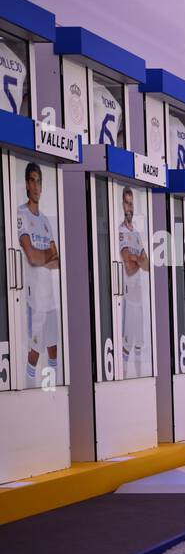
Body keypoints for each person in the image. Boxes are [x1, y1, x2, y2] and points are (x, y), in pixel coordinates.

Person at [16, 162, 60, 387]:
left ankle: (50, 391)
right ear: (26, 184)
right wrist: (46, 256)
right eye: (32, 180)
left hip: (50, 300)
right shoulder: (21, 214)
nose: (35, 186)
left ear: (42, 186)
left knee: (53, 349)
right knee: (35, 351)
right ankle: (29, 389)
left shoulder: (45, 221)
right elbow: (32, 256)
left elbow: (57, 261)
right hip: (35, 301)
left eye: (38, 181)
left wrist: (44, 257)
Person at [118, 187, 150, 377]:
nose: (129, 207)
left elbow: (147, 265)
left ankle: (139, 377)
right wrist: (139, 258)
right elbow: (129, 268)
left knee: (139, 344)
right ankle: (124, 377)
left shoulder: (137, 235)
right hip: (128, 299)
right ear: (122, 205)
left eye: (131, 203)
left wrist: (136, 258)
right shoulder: (120, 232)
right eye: (127, 203)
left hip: (140, 300)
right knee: (127, 345)